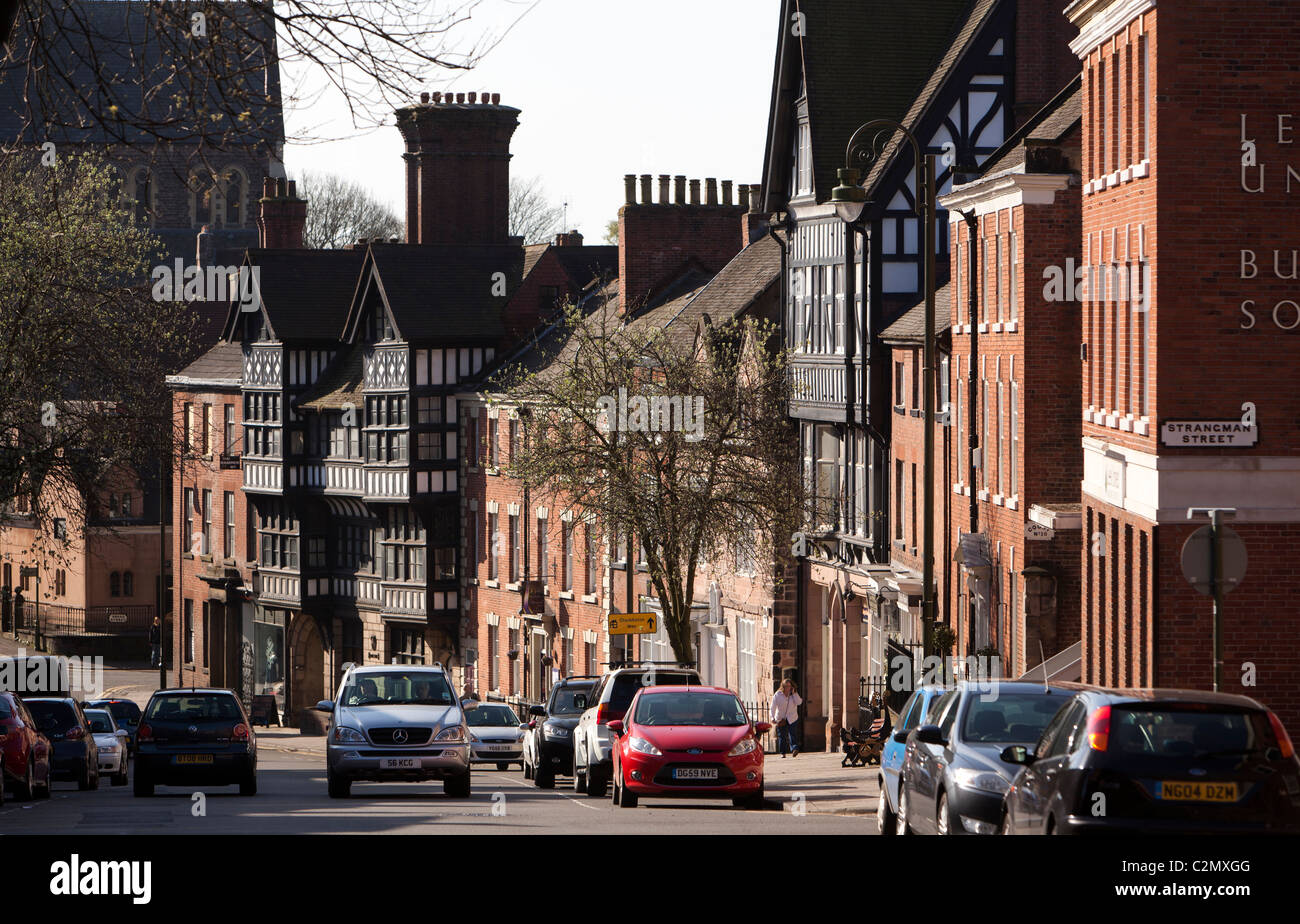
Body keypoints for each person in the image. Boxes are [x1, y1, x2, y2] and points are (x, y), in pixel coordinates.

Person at [770, 678, 802, 757]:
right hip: (781, 718)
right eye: (786, 686)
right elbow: (773, 707)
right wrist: (772, 717)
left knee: (792, 734)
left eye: (789, 686)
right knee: (782, 736)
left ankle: (794, 749)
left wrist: (794, 694)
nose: (788, 688)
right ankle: (783, 753)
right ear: (783, 686)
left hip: (792, 717)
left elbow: (799, 702)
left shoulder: (793, 694)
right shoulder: (778, 695)